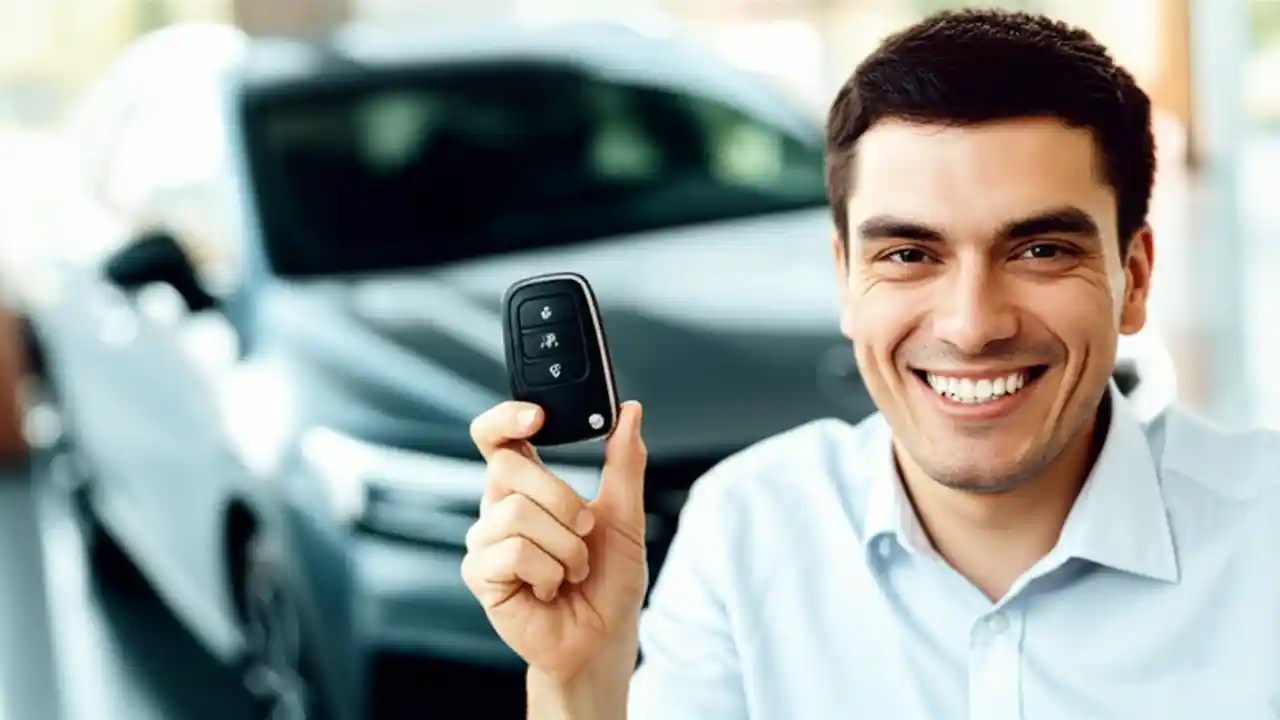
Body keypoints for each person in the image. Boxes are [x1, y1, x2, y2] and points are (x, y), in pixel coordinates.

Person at [462, 9, 1280, 719]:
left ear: (1134, 278)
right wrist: (577, 680)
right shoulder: (745, 531)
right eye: (909, 254)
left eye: (1040, 249)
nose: (972, 326)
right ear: (846, 280)